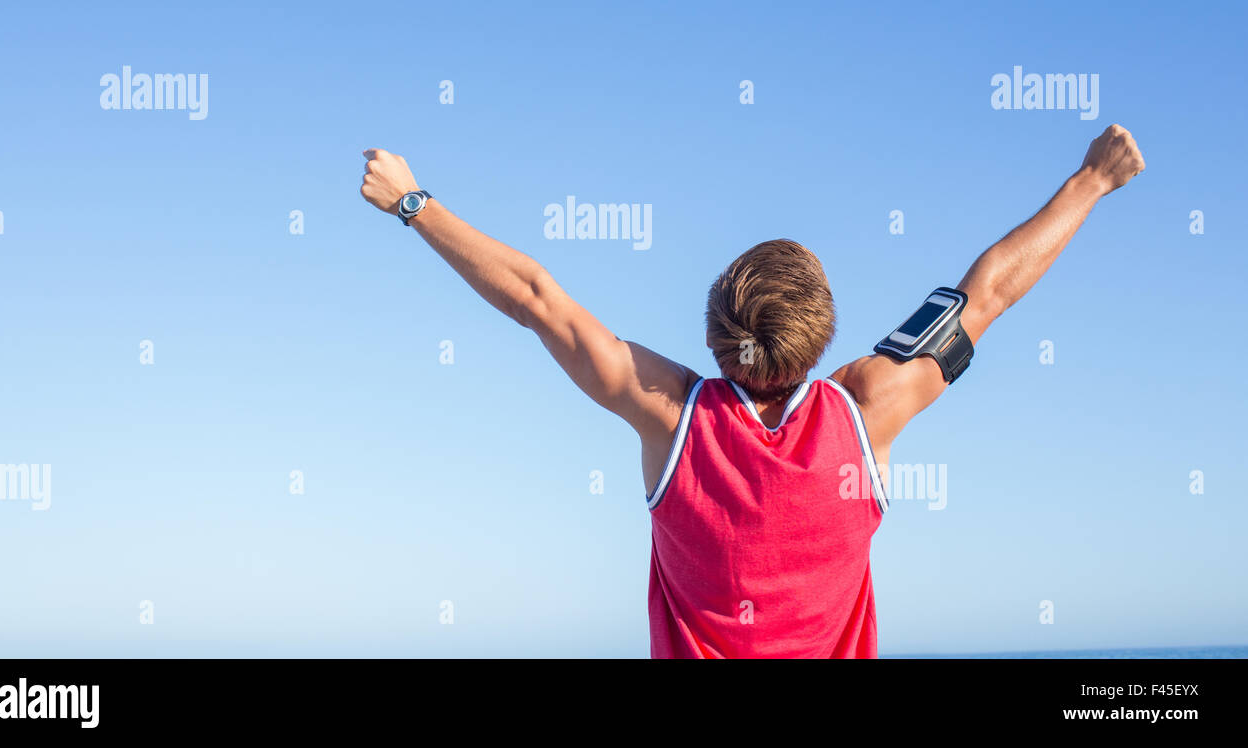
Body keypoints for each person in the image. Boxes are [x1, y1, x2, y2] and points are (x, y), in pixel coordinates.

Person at [359, 124, 1146, 658]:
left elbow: (537, 299)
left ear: (711, 338)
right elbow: (988, 295)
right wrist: (1092, 181)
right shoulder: (867, 407)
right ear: (824, 339)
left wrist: (411, 202)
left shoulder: (669, 413)